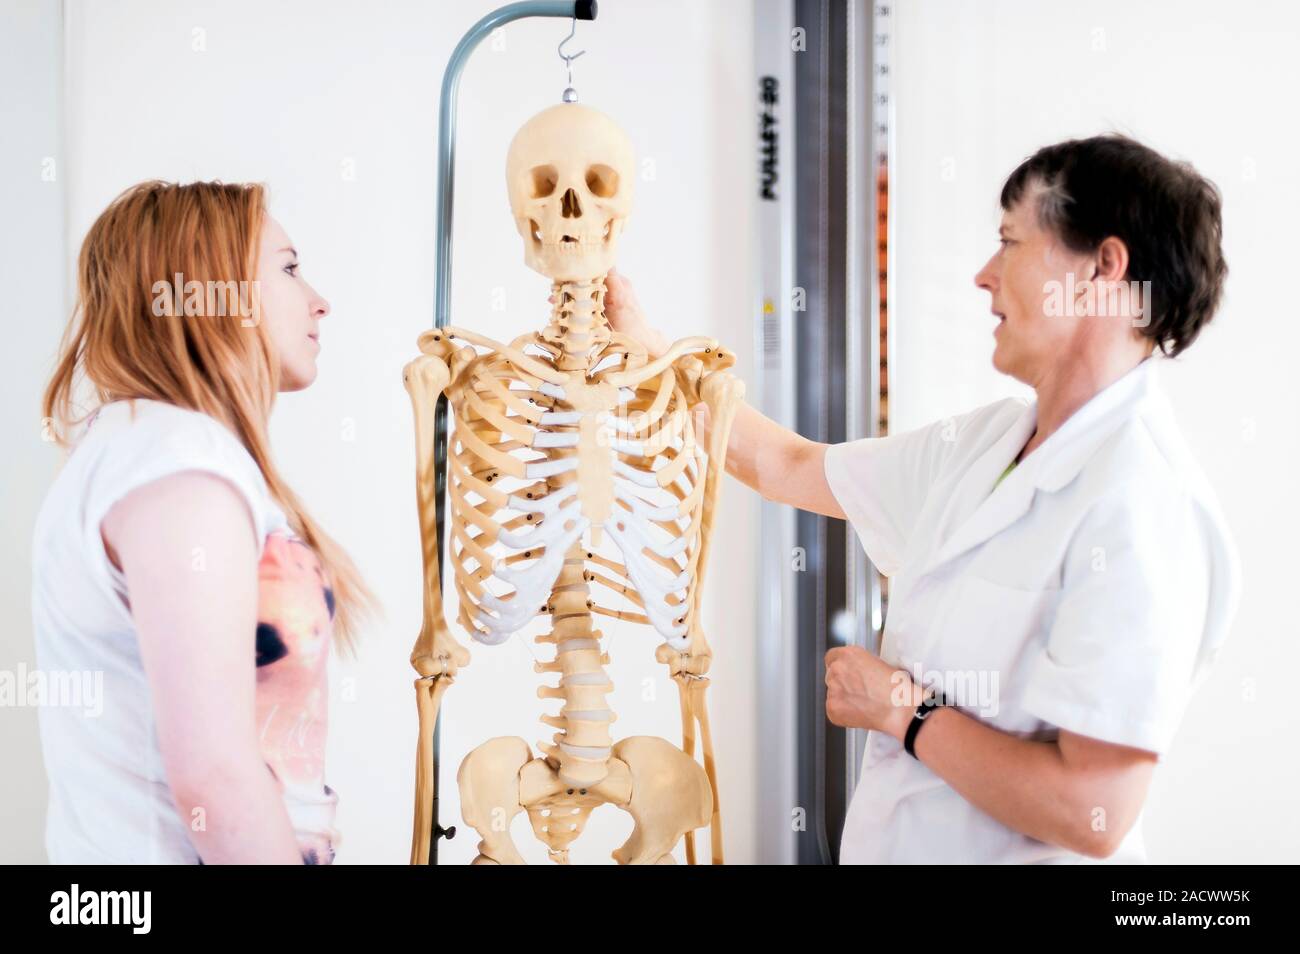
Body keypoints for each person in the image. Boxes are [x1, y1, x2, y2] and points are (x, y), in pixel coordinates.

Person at [603, 134, 1241, 864]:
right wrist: (649, 357)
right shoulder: (986, 445)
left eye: (1009, 242)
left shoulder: (1145, 502)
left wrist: (903, 712)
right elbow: (787, 464)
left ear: (1102, 267)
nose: (982, 275)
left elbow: (1092, 811)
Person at [32, 180, 378, 864]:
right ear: (209, 291)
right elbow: (214, 780)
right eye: (286, 267)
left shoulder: (151, 449)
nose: (318, 299)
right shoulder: (174, 464)